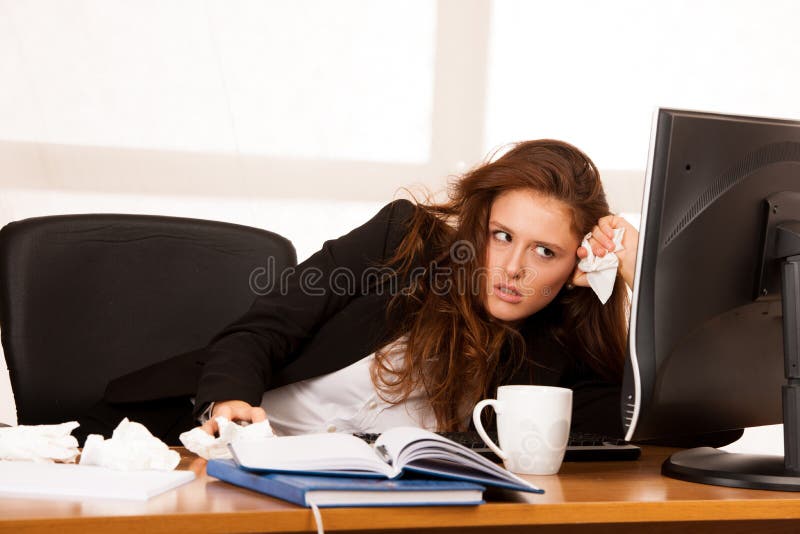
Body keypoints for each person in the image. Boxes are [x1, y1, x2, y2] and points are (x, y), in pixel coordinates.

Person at [78, 139, 639, 444]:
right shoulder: (404, 238)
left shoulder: (555, 344)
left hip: (365, 507)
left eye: (545, 251)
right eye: (501, 236)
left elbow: (669, 418)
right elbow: (262, 329)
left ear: (575, 266)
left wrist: (638, 275)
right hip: (190, 453)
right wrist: (228, 402)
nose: (513, 268)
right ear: (477, 226)